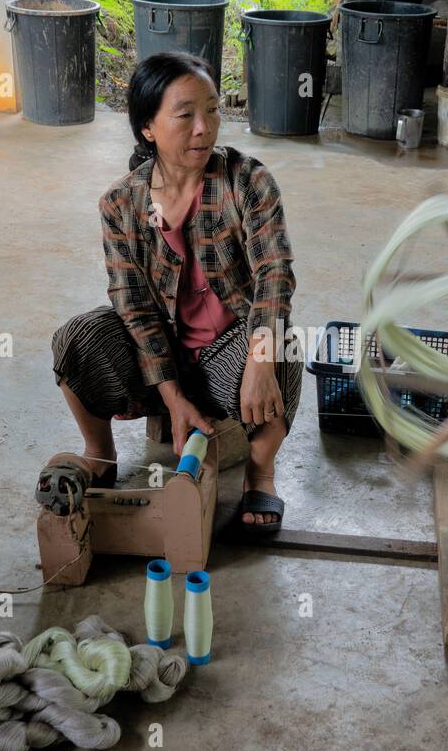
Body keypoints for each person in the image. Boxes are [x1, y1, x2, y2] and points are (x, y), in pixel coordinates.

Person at [52, 51, 301, 532]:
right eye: (185, 115)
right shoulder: (121, 203)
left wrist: (260, 359)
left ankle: (261, 473)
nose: (204, 128)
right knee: (78, 336)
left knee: (285, 343)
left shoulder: (246, 181)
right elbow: (134, 305)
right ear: (148, 128)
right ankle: (99, 455)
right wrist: (169, 393)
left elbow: (275, 274)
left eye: (211, 110)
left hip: (226, 351)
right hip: (158, 358)